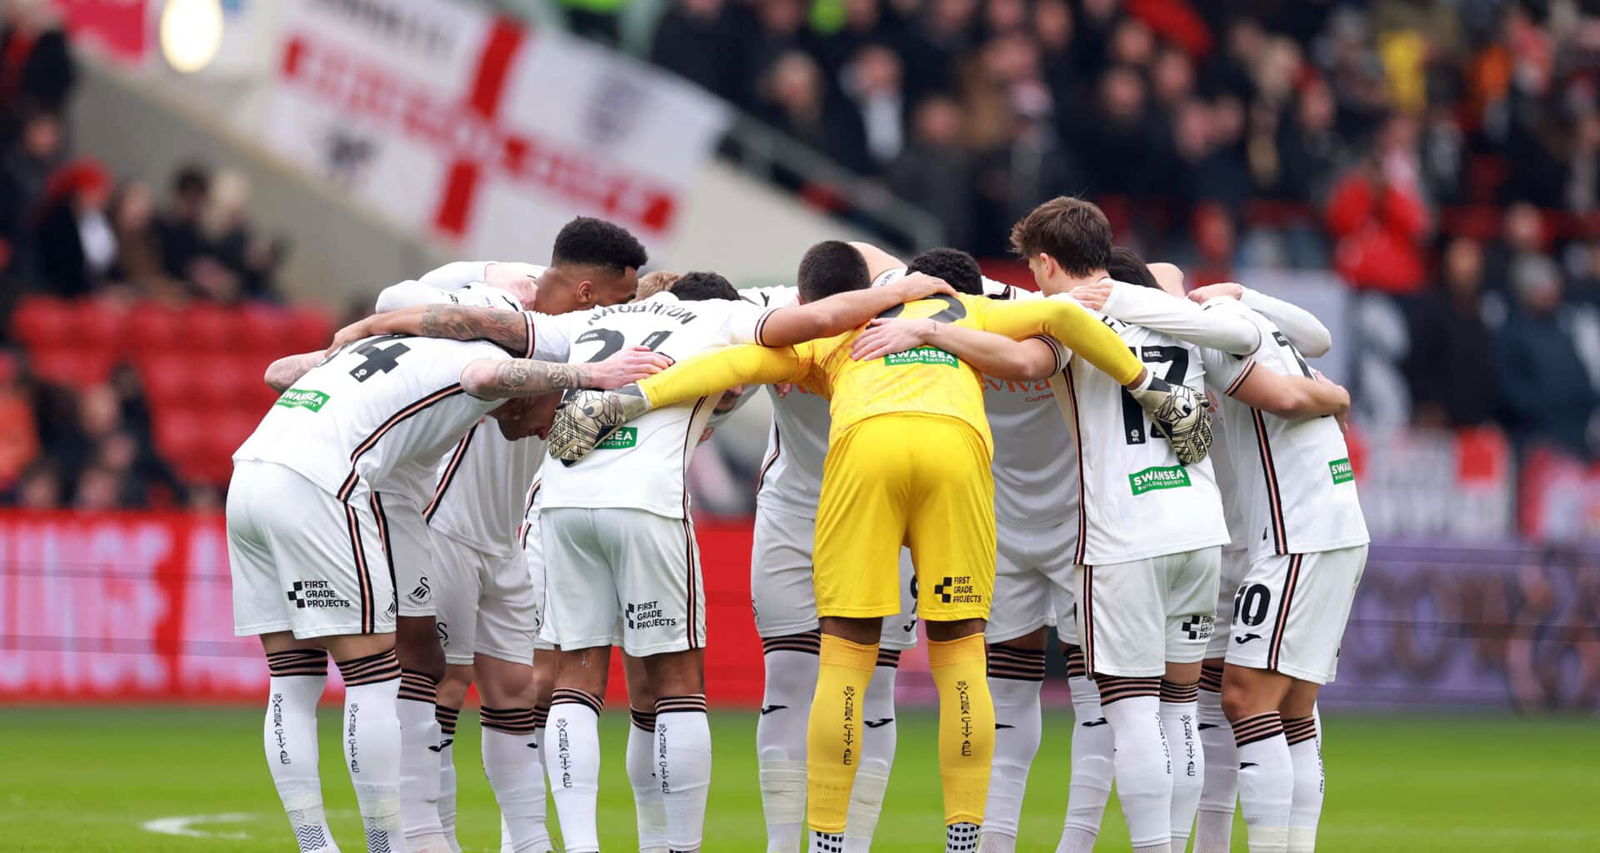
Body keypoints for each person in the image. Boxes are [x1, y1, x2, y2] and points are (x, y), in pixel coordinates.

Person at [547, 227, 1208, 851]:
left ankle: (827, 837)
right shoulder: (962, 312)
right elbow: (1066, 321)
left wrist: (629, 400)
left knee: (843, 660)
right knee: (960, 659)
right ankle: (965, 838)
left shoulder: (834, 322)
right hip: (956, 455)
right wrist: (1155, 390)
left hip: (866, 454)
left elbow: (737, 359)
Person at [325, 261, 973, 853]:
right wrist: (898, 293)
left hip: (560, 498)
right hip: (645, 501)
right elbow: (821, 318)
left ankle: (565, 843)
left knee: (570, 677)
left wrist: (371, 324)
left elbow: (477, 325)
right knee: (674, 684)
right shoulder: (724, 320)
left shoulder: (593, 317)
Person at [230, 295, 668, 853]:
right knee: (374, 677)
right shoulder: (475, 361)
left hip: (248, 477)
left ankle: (316, 845)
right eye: (553, 409)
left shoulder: (398, 354)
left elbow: (278, 372)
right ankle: (388, 846)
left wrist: (343, 347)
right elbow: (489, 372)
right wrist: (593, 373)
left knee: (293, 678)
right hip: (320, 486)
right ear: (527, 391)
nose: (546, 431)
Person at [360, 217, 649, 853]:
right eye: (621, 298)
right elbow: (391, 302)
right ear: (584, 291)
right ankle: (421, 835)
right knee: (443, 679)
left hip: (504, 534)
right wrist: (494, 277)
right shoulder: (501, 312)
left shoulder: (579, 336)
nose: (626, 312)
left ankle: (527, 842)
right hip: (444, 520)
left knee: (515, 694)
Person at [1075, 268, 1360, 853]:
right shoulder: (1240, 318)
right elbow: (1319, 339)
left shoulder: (1215, 331)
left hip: (1296, 527)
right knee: (1285, 705)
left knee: (1244, 697)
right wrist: (1246, 295)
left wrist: (1335, 396)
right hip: (1309, 523)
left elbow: (1283, 390)